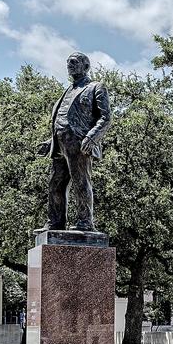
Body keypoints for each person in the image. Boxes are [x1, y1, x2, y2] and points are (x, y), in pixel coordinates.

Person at [36, 52, 111, 231]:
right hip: (60, 145)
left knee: (81, 182)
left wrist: (91, 137)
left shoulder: (95, 87)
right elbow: (63, 120)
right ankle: (55, 222)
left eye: (74, 62)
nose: (69, 65)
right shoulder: (67, 90)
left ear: (85, 66)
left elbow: (106, 117)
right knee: (55, 184)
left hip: (80, 143)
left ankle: (85, 223)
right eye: (68, 62)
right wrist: (50, 141)